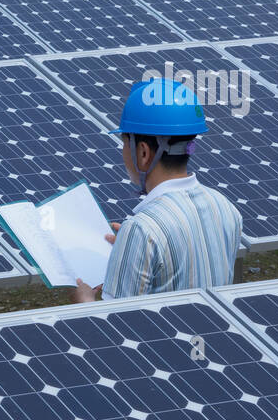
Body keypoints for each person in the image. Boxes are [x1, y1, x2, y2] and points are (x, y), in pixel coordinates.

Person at [73, 77, 241, 303]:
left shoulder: (142, 229)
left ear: (143, 153)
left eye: (124, 142)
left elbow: (115, 324)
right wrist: (131, 249)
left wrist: (83, 302)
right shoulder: (225, 207)